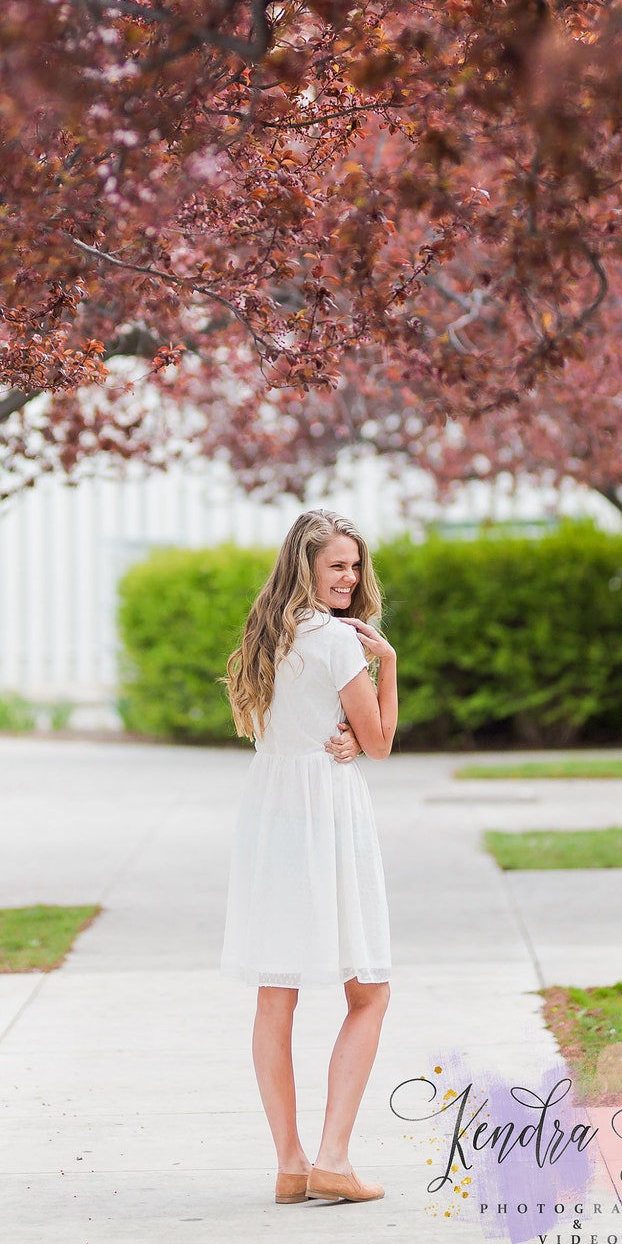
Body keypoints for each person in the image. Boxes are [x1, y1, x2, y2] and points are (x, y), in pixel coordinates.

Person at [221, 509, 398, 1205]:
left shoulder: (270, 635)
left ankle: (291, 1166)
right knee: (369, 991)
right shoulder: (340, 642)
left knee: (276, 992)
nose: (350, 579)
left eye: (355, 566)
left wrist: (342, 732)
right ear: (308, 568)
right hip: (326, 813)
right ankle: (333, 1157)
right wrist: (388, 663)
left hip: (270, 815)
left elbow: (291, 723)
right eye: (337, 566)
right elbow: (379, 741)